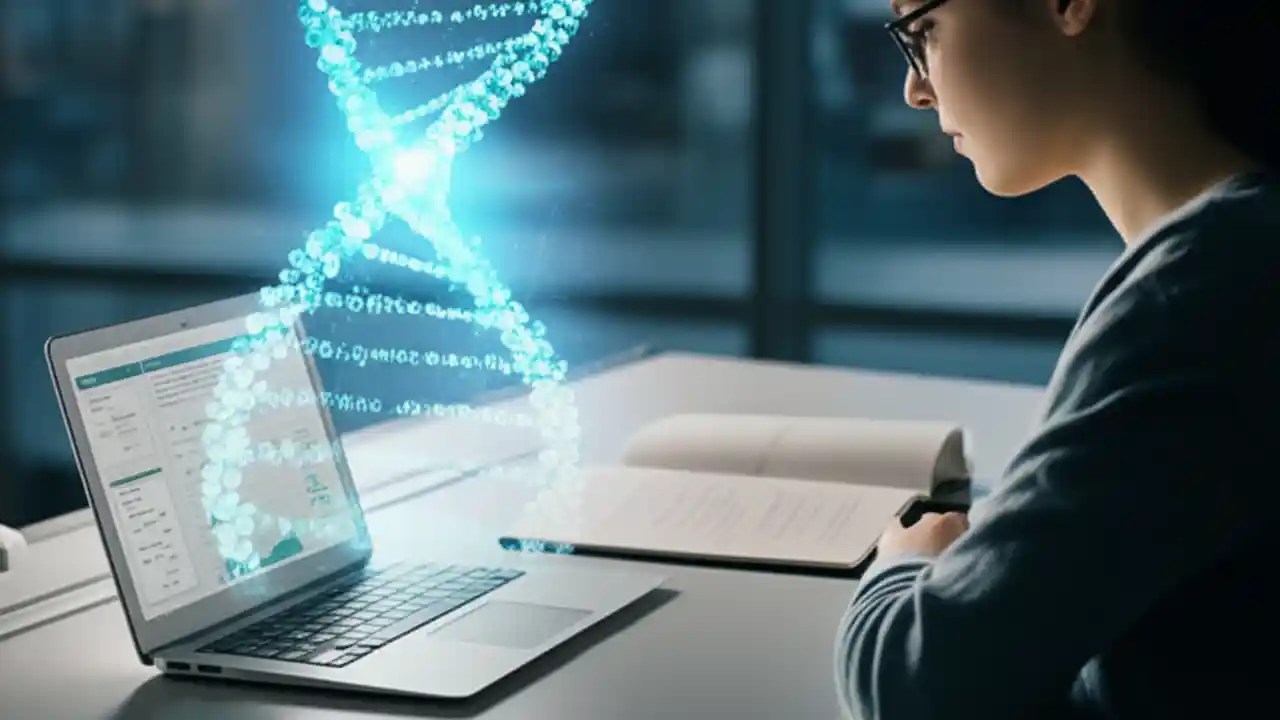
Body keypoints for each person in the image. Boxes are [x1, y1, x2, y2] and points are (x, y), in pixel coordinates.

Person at [834, 0, 1279, 718]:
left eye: (923, 31)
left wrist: (904, 563)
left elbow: (909, 687)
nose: (913, 90)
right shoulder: (1236, 250)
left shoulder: (1197, 296)